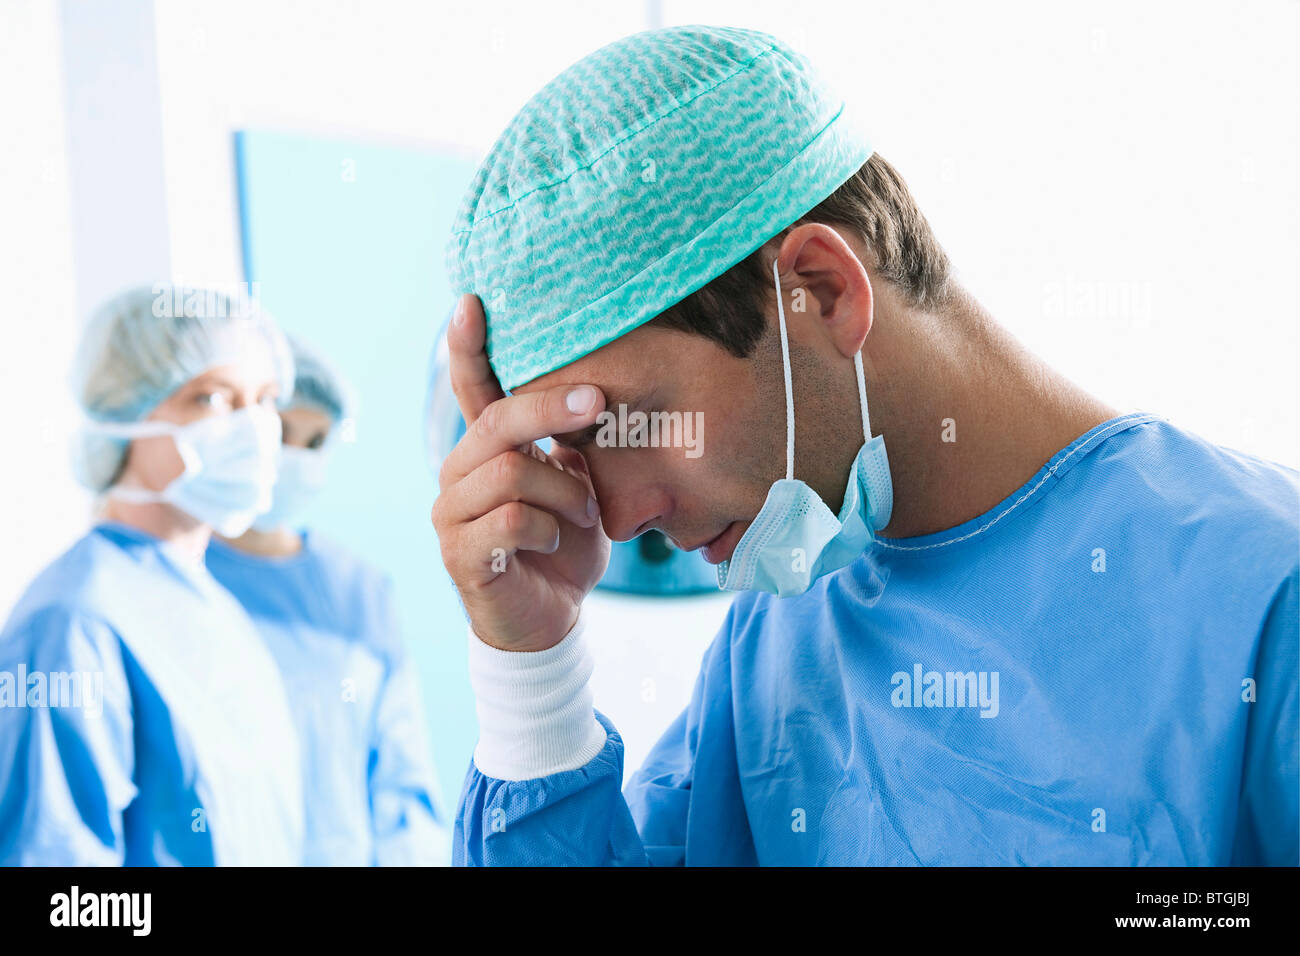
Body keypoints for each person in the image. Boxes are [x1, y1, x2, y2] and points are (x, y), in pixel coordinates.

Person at [434, 25, 1299, 865]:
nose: (617, 523)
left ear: (820, 289)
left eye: (634, 423)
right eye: (580, 456)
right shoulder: (772, 656)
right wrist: (531, 680)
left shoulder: (1262, 599)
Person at [0, 284, 303, 865]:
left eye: (265, 400)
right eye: (213, 399)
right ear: (125, 413)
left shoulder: (217, 611)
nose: (255, 428)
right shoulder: (73, 623)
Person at [206, 335, 448, 865]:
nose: (294, 456)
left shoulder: (359, 594)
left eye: (315, 442)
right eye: (283, 430)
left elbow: (402, 784)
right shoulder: (178, 584)